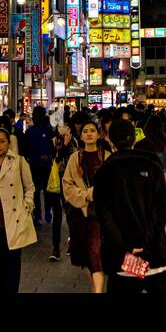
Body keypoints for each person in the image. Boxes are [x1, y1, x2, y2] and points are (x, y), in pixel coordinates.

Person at [98, 119, 166, 293]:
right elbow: (161, 209)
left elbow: (104, 215)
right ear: (134, 139)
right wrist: (146, 241)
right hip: (156, 256)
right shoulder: (153, 165)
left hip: (122, 260)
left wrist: (127, 246)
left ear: (109, 140)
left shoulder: (105, 170)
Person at [0, 127, 37, 293]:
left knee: (13, 262)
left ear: (9, 143)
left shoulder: (19, 161)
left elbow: (30, 187)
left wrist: (27, 206)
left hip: (14, 219)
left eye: (2, 141)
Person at [62, 119, 109, 292]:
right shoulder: (75, 158)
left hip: (100, 215)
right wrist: (86, 195)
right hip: (79, 214)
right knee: (87, 255)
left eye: (92, 131)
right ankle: (94, 288)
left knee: (96, 252)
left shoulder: (106, 156)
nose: (89, 134)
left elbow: (113, 185)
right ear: (81, 136)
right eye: (85, 131)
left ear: (98, 135)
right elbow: (67, 185)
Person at [134, 115, 166, 231]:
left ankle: (152, 233)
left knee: (150, 206)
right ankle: (164, 234)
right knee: (165, 207)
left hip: (146, 176)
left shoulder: (140, 144)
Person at [46, 120, 76, 260]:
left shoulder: (75, 143)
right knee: (57, 216)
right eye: (60, 126)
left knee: (70, 214)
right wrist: (63, 145)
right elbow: (56, 159)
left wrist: (67, 144)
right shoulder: (53, 141)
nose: (62, 128)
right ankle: (55, 249)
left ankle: (73, 243)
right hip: (55, 182)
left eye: (64, 126)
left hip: (70, 183)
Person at [23, 105, 55, 224]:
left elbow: (53, 147)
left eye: (38, 115)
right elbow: (25, 149)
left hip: (46, 166)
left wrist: (49, 156)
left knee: (47, 191)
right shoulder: (30, 131)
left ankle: (46, 212)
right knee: (36, 191)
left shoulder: (48, 130)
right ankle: (38, 215)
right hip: (34, 165)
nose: (36, 117)